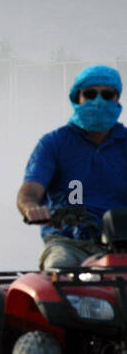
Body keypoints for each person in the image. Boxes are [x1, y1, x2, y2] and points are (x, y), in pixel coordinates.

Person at [16, 64, 127, 269]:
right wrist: (31, 208)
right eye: (91, 94)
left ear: (117, 99)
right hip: (68, 244)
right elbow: (30, 190)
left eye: (107, 94)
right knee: (59, 270)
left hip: (121, 247)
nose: (99, 102)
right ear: (77, 98)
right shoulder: (54, 143)